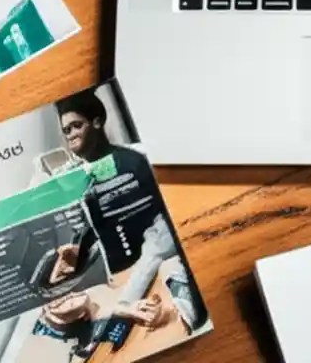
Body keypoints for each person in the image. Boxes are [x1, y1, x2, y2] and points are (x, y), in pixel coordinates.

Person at [47, 89, 208, 348]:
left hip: (157, 267)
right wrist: (76, 252)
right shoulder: (75, 183)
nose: (71, 136)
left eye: (76, 126)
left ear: (97, 121)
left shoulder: (136, 161)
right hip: (116, 281)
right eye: (66, 131)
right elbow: (91, 229)